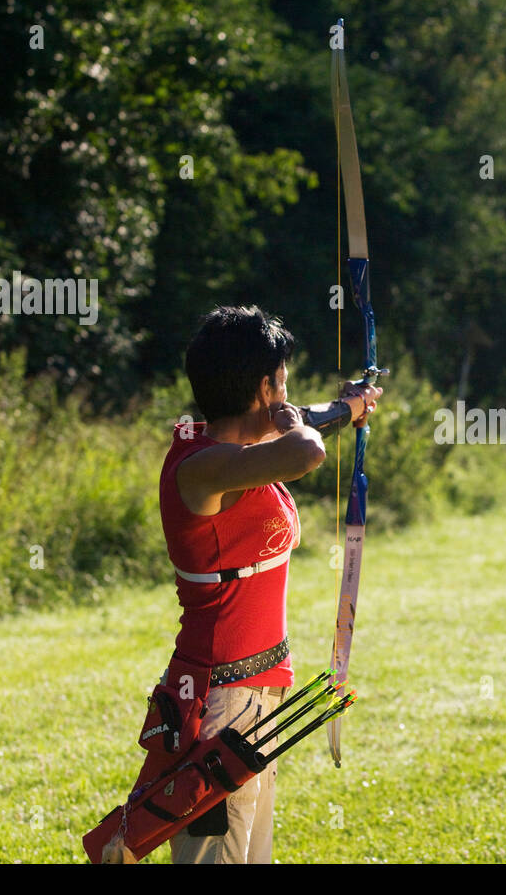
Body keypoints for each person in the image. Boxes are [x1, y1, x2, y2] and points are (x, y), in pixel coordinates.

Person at [157, 305, 381, 864]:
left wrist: (348, 406)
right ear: (263, 387)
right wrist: (304, 420)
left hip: (261, 691)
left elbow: (299, 419)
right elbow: (305, 448)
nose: (288, 396)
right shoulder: (200, 466)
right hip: (219, 702)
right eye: (280, 382)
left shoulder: (239, 449)